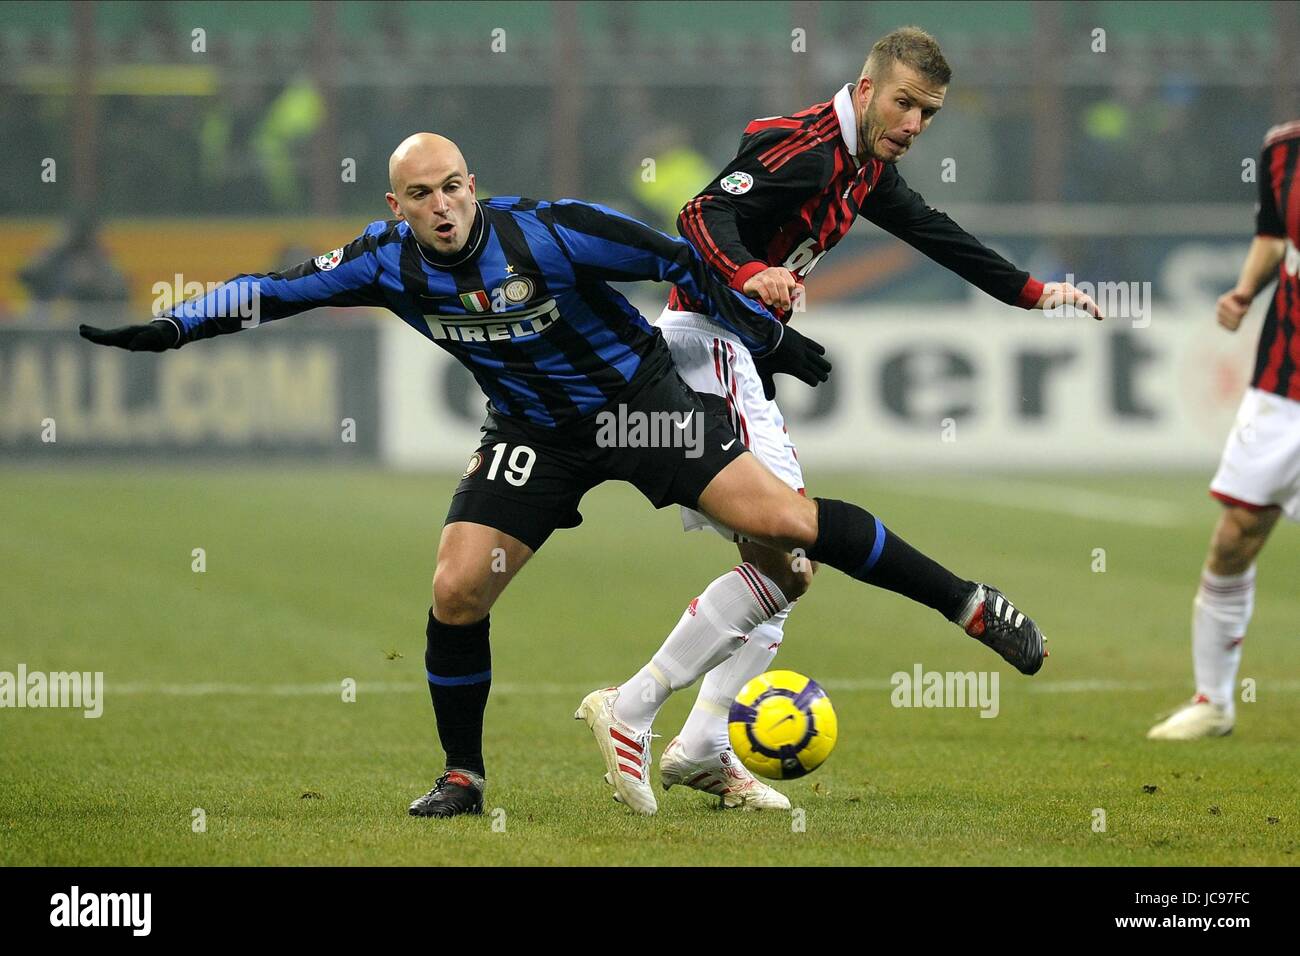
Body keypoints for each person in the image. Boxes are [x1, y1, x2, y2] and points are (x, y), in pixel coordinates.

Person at [81, 133, 1043, 822]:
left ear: (474, 187)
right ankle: (464, 778)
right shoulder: (383, 264)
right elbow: (278, 291)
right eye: (423, 194)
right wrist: (169, 327)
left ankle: (967, 604)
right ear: (397, 208)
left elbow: (683, 262)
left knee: (789, 530)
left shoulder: (550, 232)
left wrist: (771, 334)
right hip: (534, 434)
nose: (444, 204)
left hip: (639, 404)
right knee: (456, 590)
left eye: (456, 186)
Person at [593, 26, 1105, 814]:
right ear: (866, 91)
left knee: (789, 566)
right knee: (795, 539)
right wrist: (753, 270)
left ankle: (699, 744)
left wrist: (1033, 292)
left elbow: (936, 232)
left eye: (928, 114)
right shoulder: (804, 147)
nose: (913, 124)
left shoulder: (866, 168)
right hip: (705, 343)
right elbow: (699, 214)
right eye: (903, 104)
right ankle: (633, 710)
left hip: (741, 353)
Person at [1148, 119, 1300, 740]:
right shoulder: (1281, 149)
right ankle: (1213, 700)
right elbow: (1274, 235)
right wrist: (1243, 291)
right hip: (1282, 384)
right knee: (1236, 534)